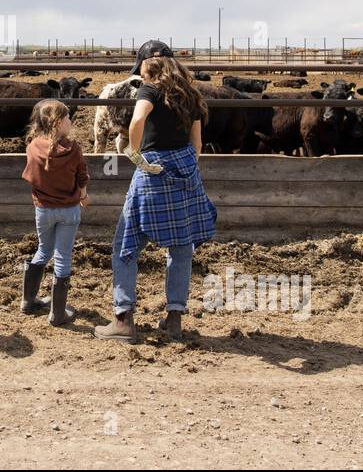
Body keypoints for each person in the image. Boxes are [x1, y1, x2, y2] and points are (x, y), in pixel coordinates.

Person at [95, 45, 217, 344]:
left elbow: (136, 122)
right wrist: (186, 166)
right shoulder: (191, 94)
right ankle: (174, 320)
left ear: (147, 67)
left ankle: (123, 319)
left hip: (154, 169)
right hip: (186, 168)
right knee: (181, 245)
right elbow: (198, 144)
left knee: (126, 244)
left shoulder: (148, 91)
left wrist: (136, 156)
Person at [20, 99, 88, 326]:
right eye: (68, 117)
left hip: (43, 210)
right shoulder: (73, 149)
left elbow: (31, 177)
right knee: (63, 258)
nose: (71, 121)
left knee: (43, 250)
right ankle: (57, 314)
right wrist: (83, 194)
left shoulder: (32, 147)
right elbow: (81, 177)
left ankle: (28, 301)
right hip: (68, 211)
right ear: (58, 122)